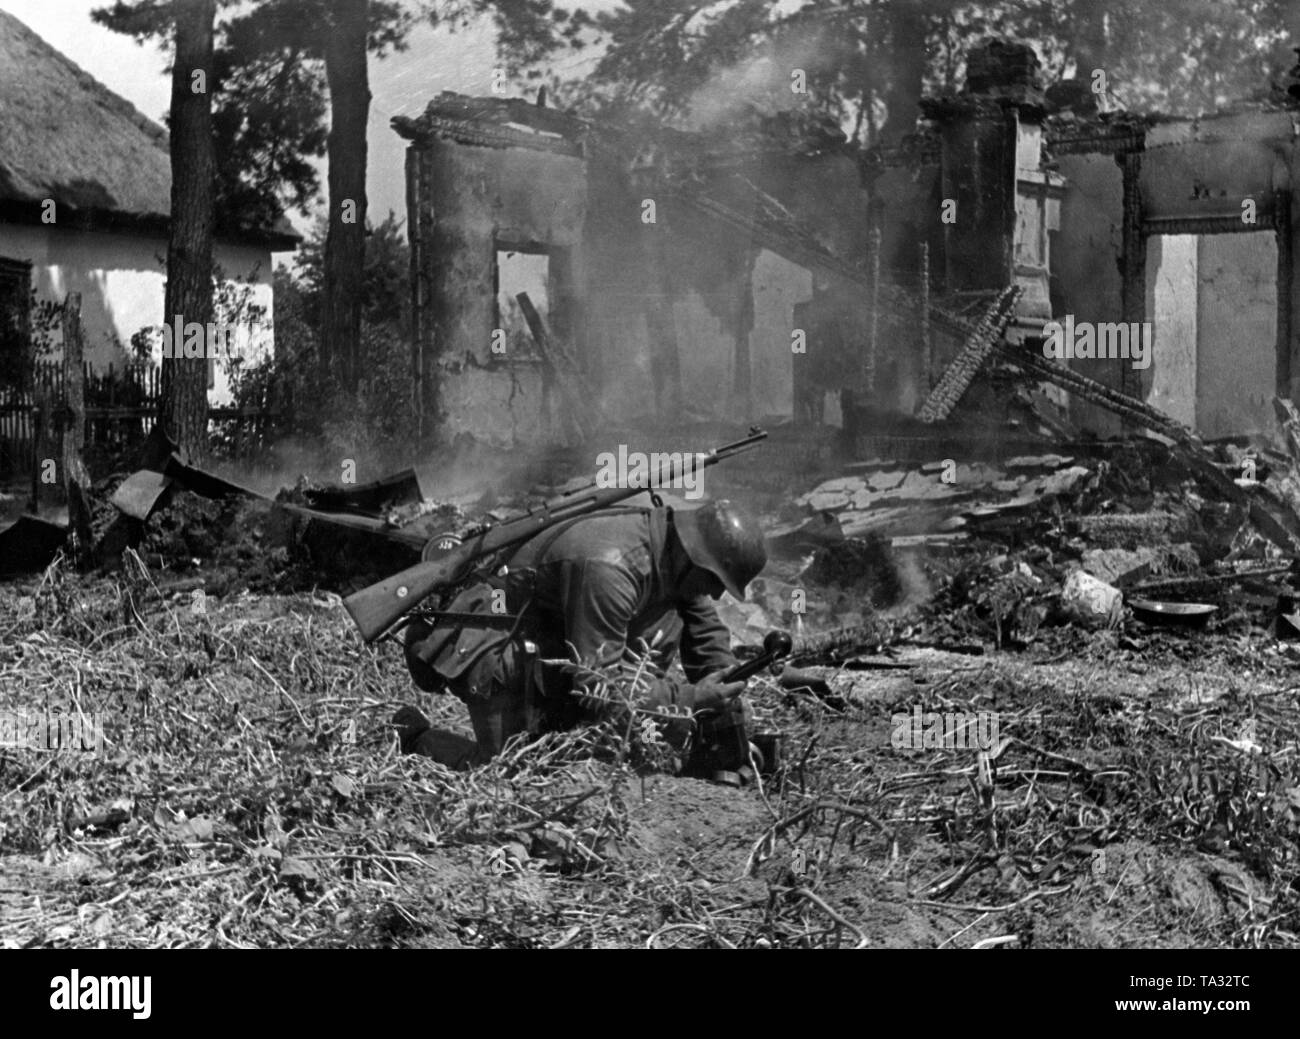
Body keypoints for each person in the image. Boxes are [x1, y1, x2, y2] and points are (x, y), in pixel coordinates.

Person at [392, 497, 769, 770]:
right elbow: (600, 687)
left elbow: (705, 631)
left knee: (604, 755)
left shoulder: (674, 552)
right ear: (693, 557)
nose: (718, 594)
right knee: (507, 776)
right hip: (492, 644)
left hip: (555, 649)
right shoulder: (611, 567)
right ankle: (412, 735)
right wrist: (692, 698)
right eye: (715, 581)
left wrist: (729, 705)